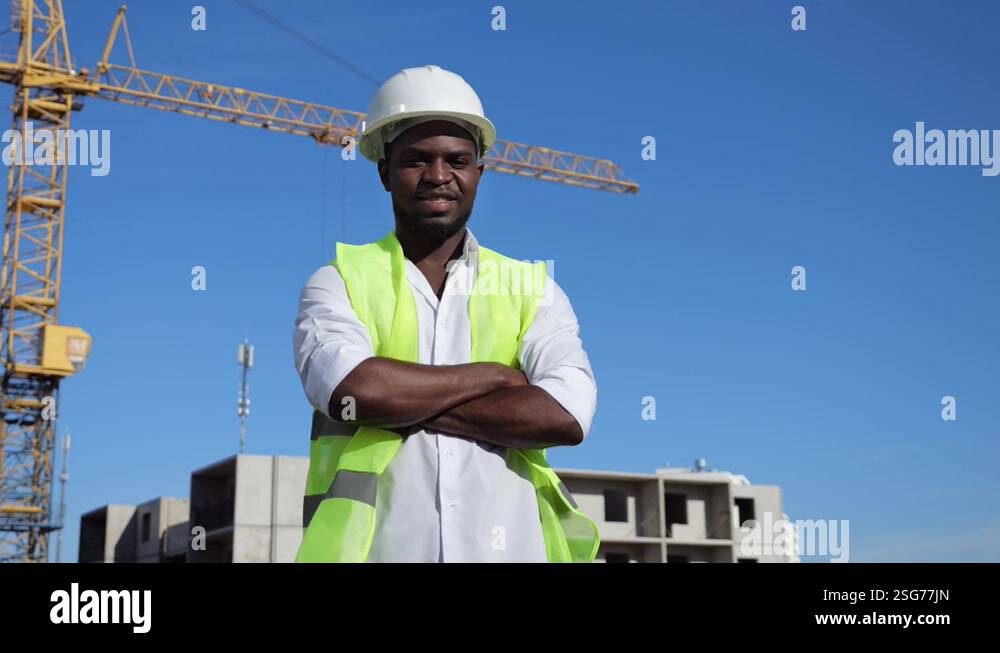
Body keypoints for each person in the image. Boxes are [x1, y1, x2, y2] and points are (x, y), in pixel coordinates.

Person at [292, 64, 598, 562]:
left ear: (479, 172)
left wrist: (404, 401)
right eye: (417, 160)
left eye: (457, 160)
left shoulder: (531, 288)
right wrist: (497, 377)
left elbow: (564, 416)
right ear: (383, 172)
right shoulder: (339, 281)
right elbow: (356, 392)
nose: (439, 176)